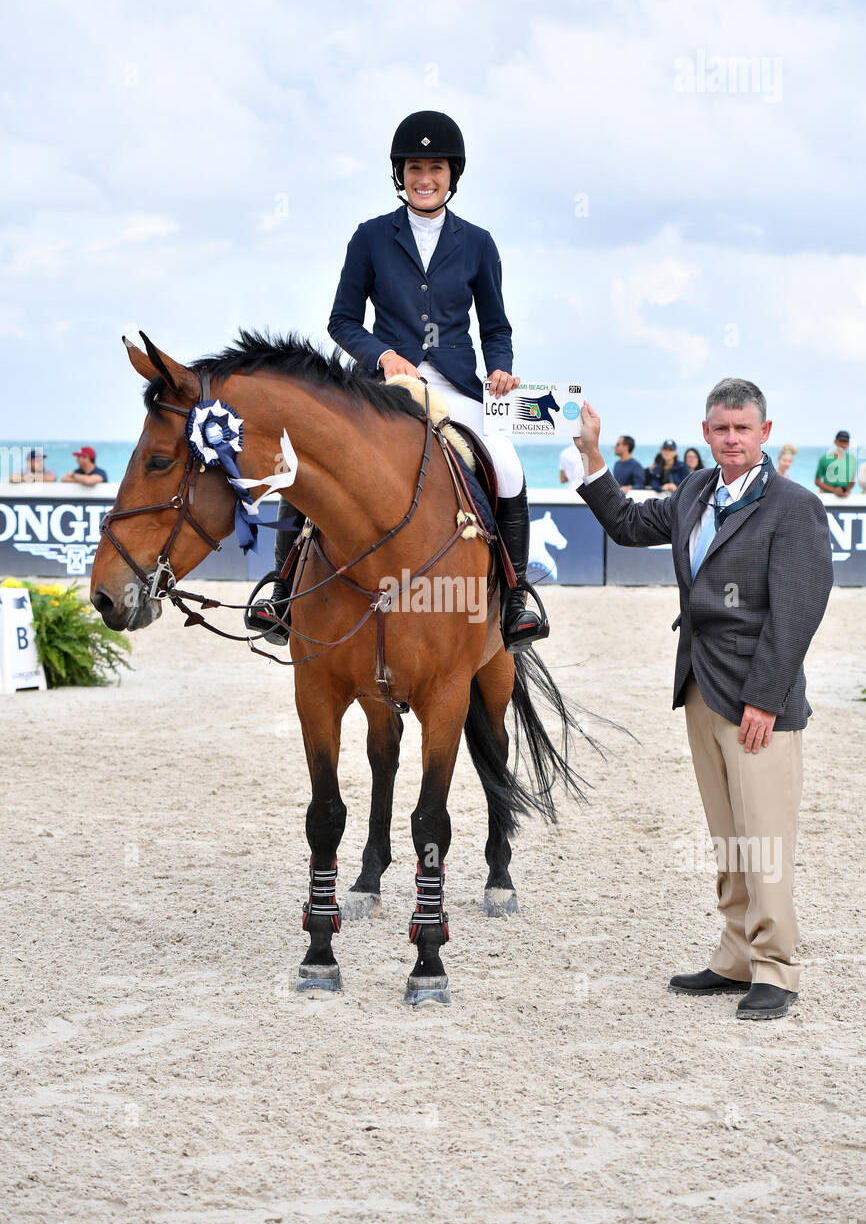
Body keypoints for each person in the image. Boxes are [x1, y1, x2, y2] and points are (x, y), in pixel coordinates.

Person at [575, 377, 833, 1021]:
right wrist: (592, 456)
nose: (731, 439)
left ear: (765, 433)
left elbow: (799, 611)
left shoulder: (794, 507)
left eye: (743, 428)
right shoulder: (694, 489)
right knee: (730, 836)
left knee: (764, 837)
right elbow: (631, 526)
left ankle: (776, 968)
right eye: (720, 428)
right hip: (699, 687)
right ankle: (736, 954)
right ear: (706, 430)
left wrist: (765, 699)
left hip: (757, 699)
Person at [248, 110, 547, 653]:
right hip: (381, 388)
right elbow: (341, 320)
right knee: (310, 456)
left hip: (455, 386)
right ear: (400, 173)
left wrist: (500, 365)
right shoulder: (369, 238)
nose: (424, 178)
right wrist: (383, 354)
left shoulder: (478, 243)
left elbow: (495, 325)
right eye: (414, 167)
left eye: (435, 167)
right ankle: (283, 587)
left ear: (451, 174)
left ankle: (517, 597)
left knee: (506, 463)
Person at [815, 430, 857, 498]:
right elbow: (817, 481)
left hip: (845, 497)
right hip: (827, 496)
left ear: (848, 443)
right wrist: (834, 490)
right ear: (835, 442)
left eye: (845, 442)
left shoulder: (852, 460)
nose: (842, 444)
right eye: (840, 441)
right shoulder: (824, 459)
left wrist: (844, 490)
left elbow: (852, 481)